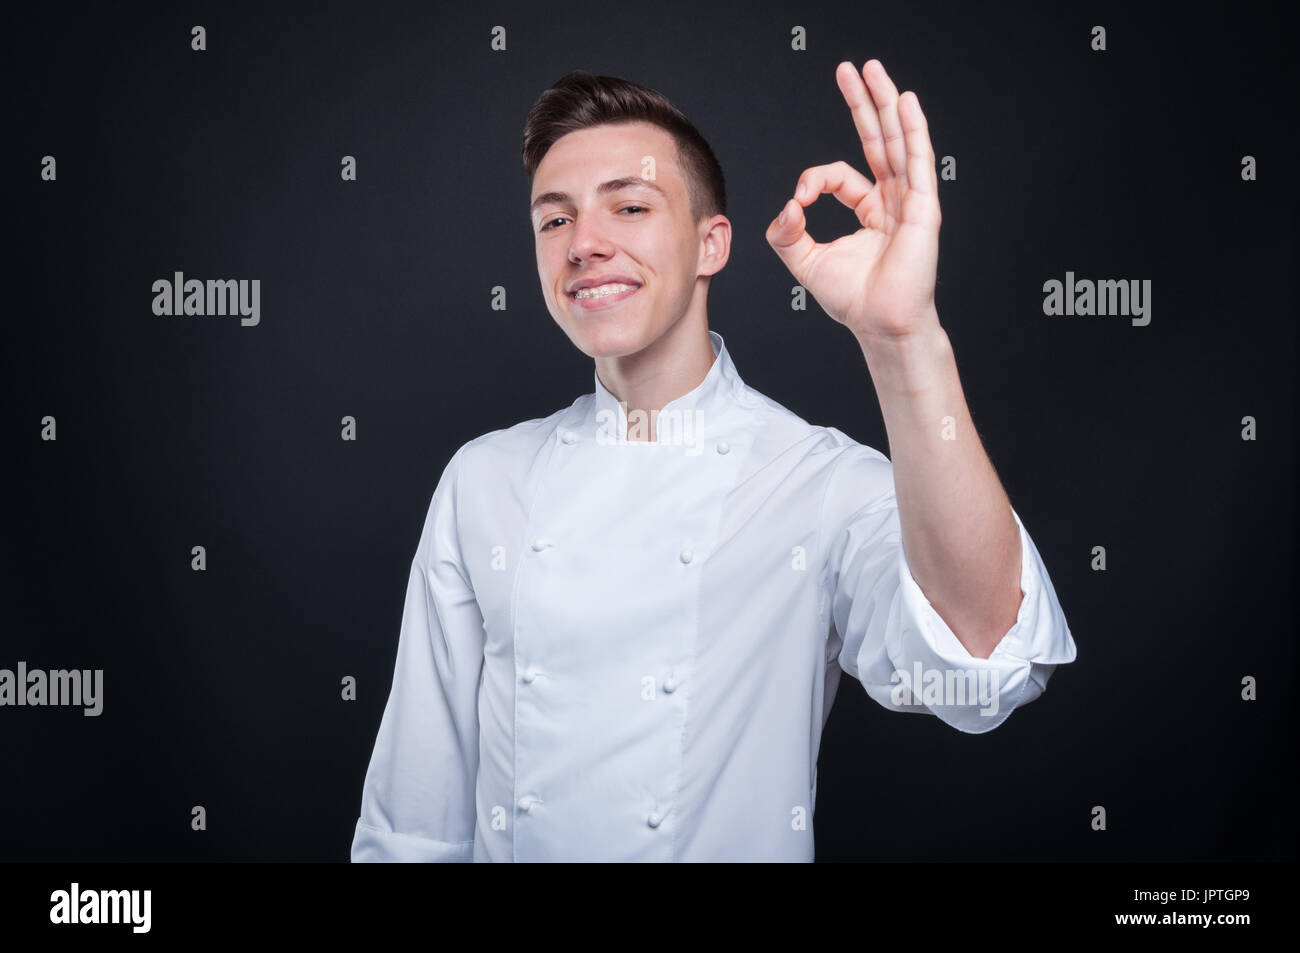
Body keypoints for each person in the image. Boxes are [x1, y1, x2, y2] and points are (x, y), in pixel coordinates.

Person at [350, 60, 1077, 862]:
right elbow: (414, 820)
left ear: (711, 243)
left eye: (629, 206)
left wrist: (902, 340)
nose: (585, 244)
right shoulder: (483, 480)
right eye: (554, 221)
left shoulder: (816, 482)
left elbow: (984, 664)